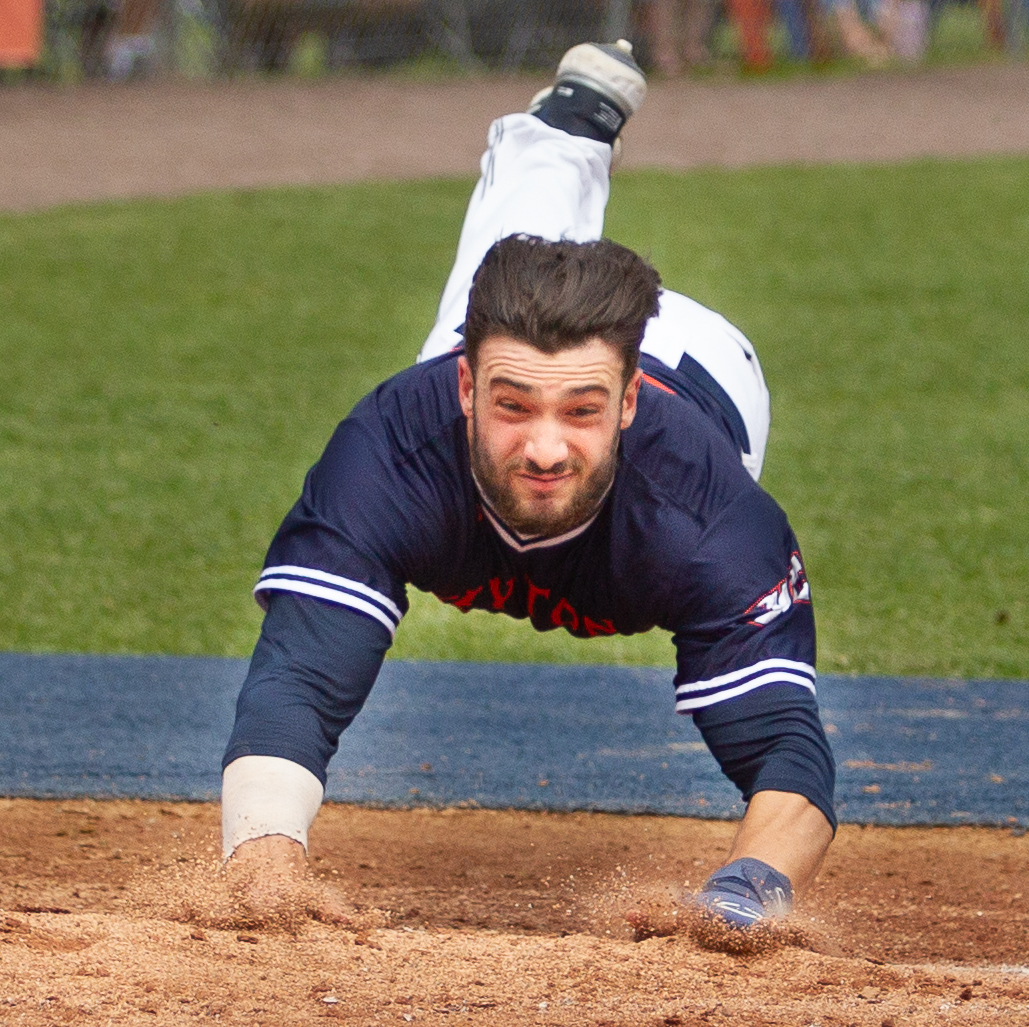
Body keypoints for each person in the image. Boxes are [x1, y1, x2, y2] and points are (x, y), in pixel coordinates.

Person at [219, 39, 837, 934]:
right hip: (491, 385)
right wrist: (264, 862)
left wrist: (747, 887)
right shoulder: (396, 446)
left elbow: (785, 744)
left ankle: (571, 133)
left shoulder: (708, 516)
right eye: (510, 405)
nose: (545, 448)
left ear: (627, 403)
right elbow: (300, 679)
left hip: (709, 374)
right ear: (467, 390)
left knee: (526, 298)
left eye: (583, 412)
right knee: (508, 273)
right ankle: (571, 127)